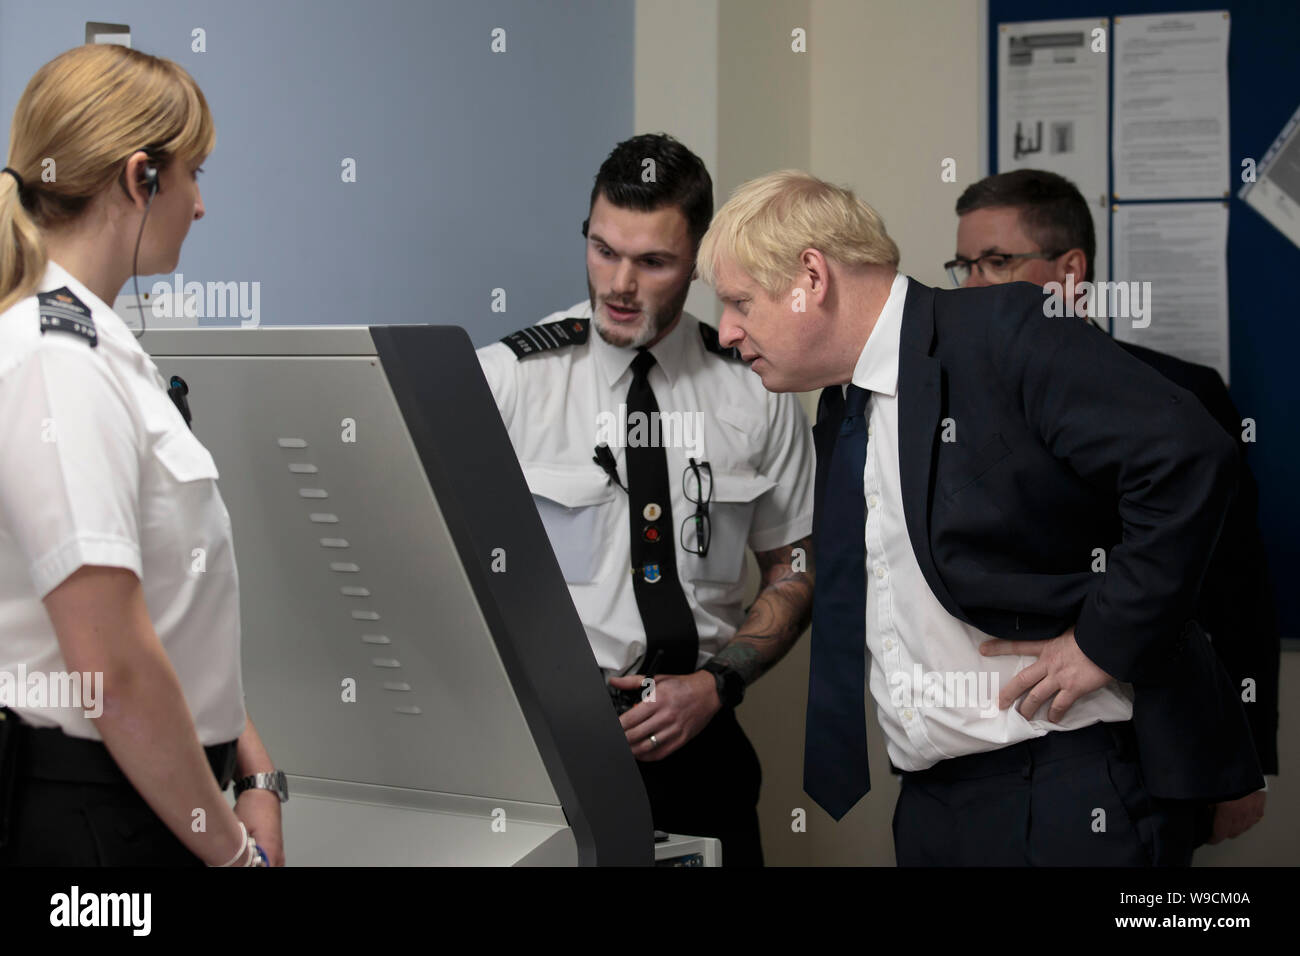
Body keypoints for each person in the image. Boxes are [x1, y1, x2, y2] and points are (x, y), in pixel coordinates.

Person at [696, 169, 1262, 866]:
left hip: (1063, 785)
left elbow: (1190, 457)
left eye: (738, 302)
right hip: (935, 801)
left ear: (810, 276)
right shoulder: (842, 407)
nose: (726, 331)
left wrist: (1104, 642)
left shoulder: (1005, 327)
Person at [477, 134, 815, 866]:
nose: (620, 284)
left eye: (653, 262)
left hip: (705, 750)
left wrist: (718, 684)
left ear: (696, 264)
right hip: (545, 751)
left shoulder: (754, 386)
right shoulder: (506, 380)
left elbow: (797, 566)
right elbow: (438, 571)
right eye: (603, 250)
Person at [0, 44, 285, 867]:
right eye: (193, 172)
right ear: (140, 178)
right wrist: (229, 854)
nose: (200, 204)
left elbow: (173, 620)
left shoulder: (100, 347)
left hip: (154, 792)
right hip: (97, 816)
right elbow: (114, 668)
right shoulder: (55, 360)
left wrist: (256, 771)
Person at [949, 168, 1278, 849]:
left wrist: (1246, 758)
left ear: (1071, 270)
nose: (973, 286)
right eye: (963, 265)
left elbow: (1236, 589)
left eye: (997, 262)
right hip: (993, 755)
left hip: (1157, 741)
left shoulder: (1179, 393)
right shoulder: (955, 409)